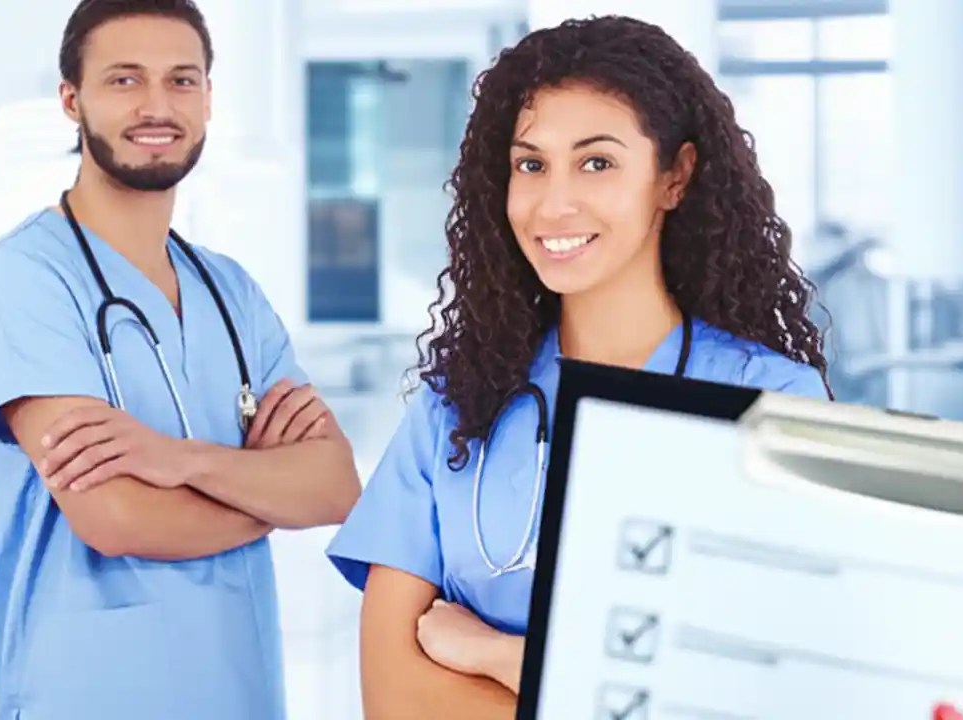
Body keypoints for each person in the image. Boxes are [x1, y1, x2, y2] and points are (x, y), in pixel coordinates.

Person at [325, 14, 834, 718]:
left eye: (597, 162)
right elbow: (393, 698)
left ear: (674, 177)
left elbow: (763, 695)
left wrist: (503, 658)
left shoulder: (771, 403)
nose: (554, 203)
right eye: (531, 165)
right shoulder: (456, 404)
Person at [0, 2, 360, 719]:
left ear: (207, 98)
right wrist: (265, 500)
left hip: (241, 693)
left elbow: (333, 488)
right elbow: (114, 516)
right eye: (124, 80)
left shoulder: (230, 292)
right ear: (71, 100)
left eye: (181, 80)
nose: (156, 106)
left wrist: (181, 462)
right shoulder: (22, 282)